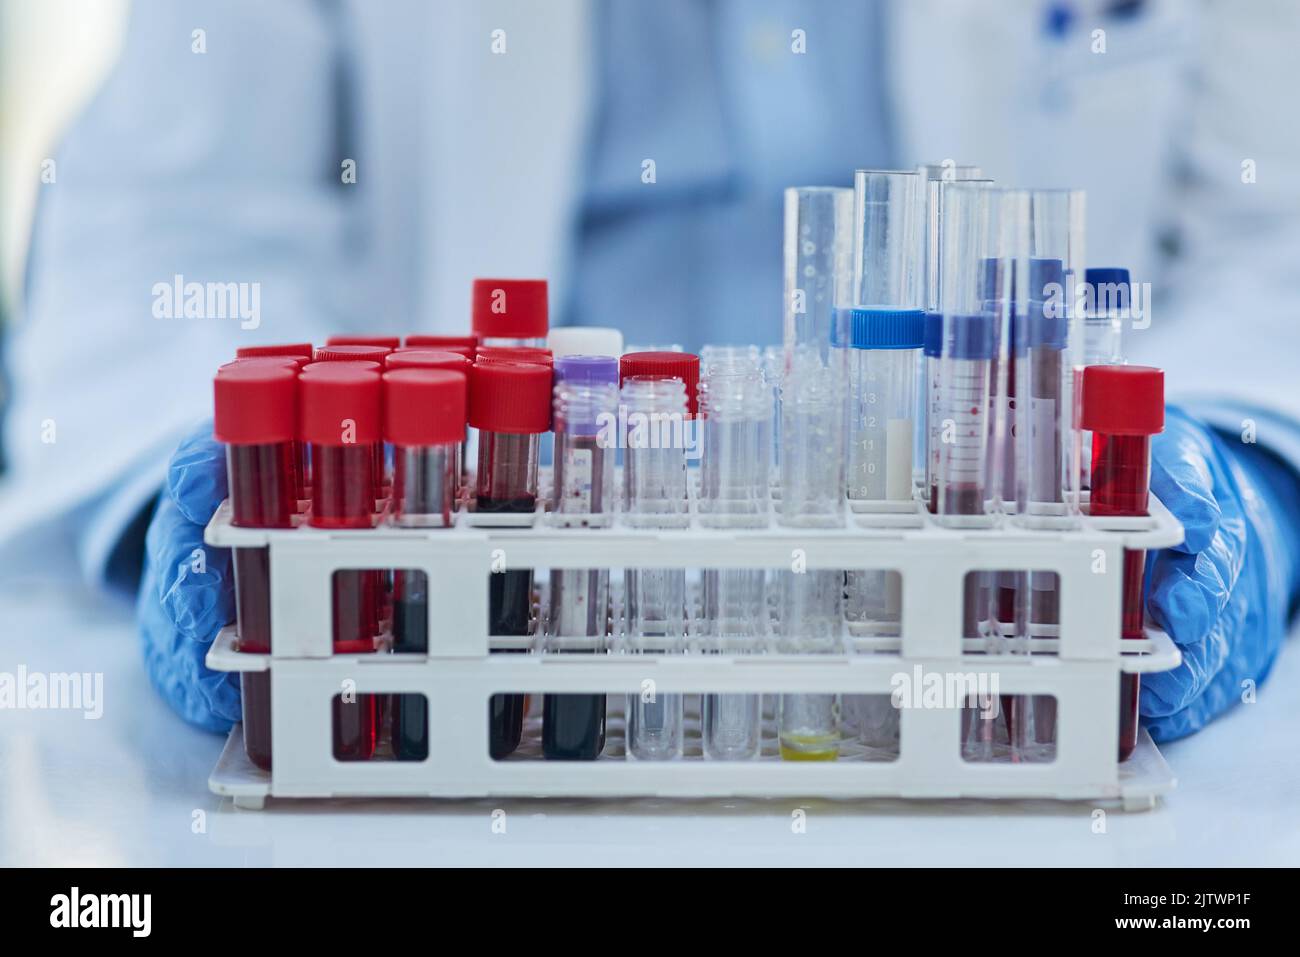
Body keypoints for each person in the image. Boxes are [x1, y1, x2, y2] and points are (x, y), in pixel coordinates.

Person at [1, 0, 1298, 742]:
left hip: (976, 629)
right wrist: (244, 498)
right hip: (479, 653)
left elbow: (1278, 215)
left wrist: (1241, 471)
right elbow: (173, 221)